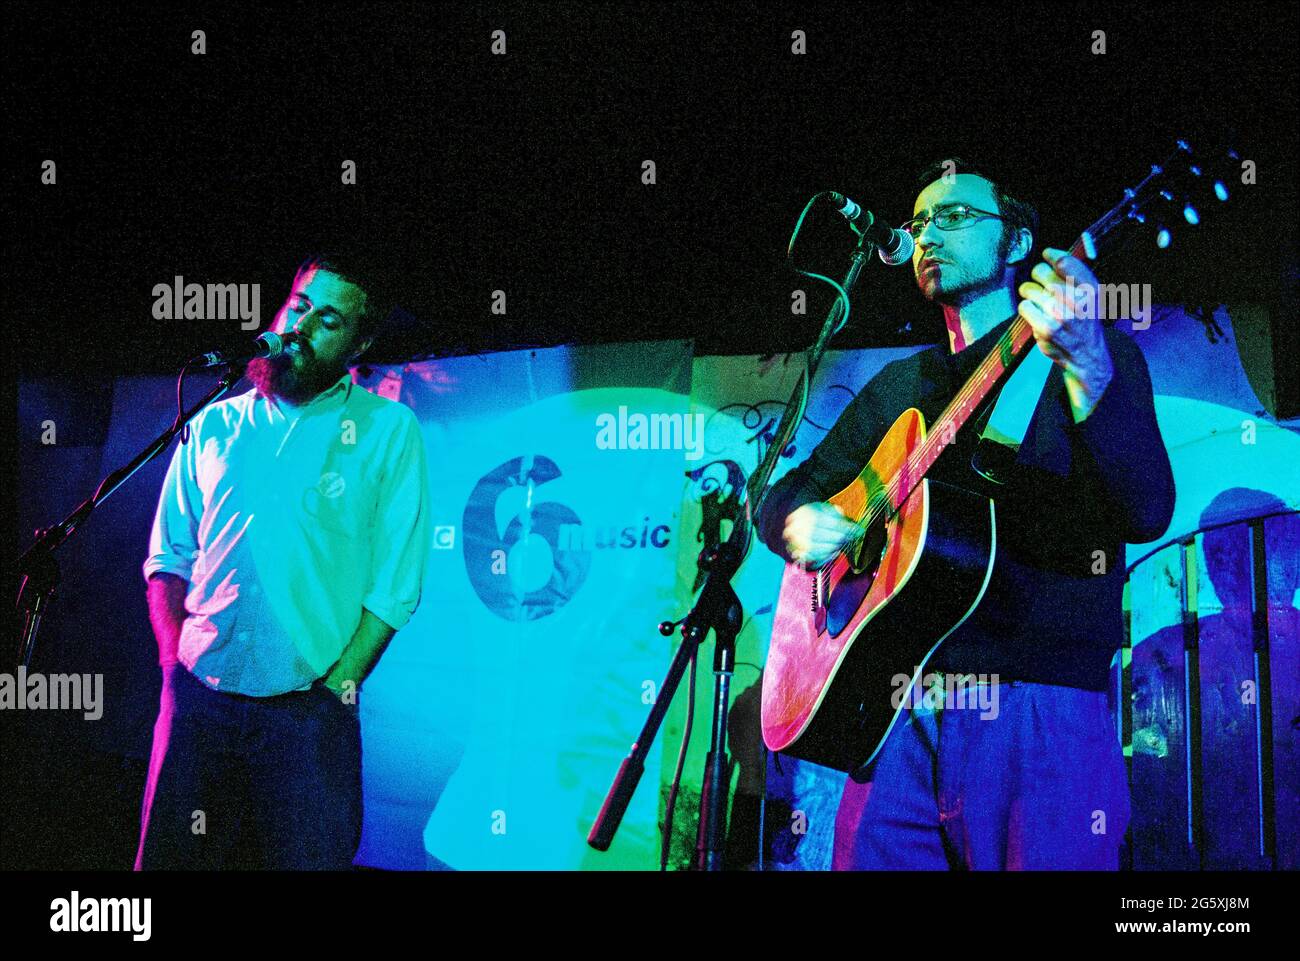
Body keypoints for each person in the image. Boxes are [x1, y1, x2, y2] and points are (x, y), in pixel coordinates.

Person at [756, 160, 1175, 870]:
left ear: (1016, 244)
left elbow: (1147, 510)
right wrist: (804, 525)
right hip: (897, 717)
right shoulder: (901, 385)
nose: (928, 235)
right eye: (919, 223)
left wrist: (1089, 366)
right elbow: (782, 497)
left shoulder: (1086, 355)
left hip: (1039, 714)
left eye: (953, 217)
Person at [135, 253, 431, 870]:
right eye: (298, 306)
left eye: (327, 319)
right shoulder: (214, 421)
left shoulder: (387, 429)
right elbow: (167, 557)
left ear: (360, 343)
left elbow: (396, 588)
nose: (300, 326)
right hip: (197, 701)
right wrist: (171, 666)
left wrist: (332, 694)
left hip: (307, 716)